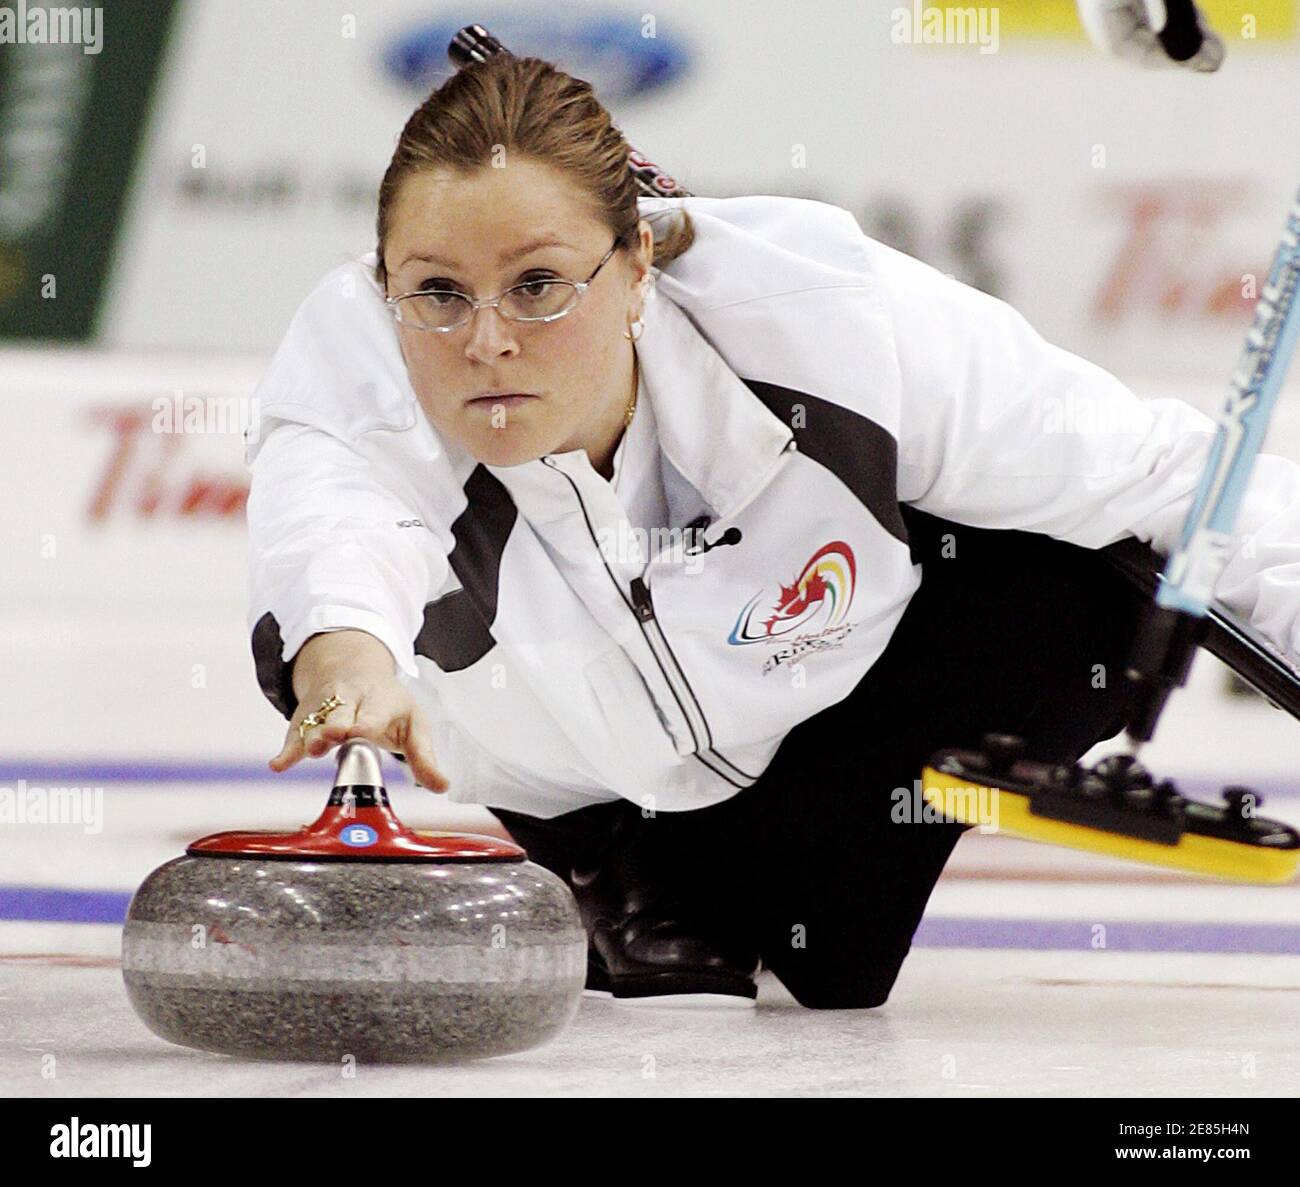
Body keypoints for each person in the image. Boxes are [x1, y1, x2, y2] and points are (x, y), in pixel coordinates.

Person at [246, 53, 1300, 1009]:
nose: (485, 340)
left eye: (538, 285)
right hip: (581, 770)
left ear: (639, 263)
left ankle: (837, 831)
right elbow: (333, 529)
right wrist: (346, 657)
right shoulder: (359, 365)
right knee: (288, 638)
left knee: (1093, 585)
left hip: (817, 726)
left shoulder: (831, 320)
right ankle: (602, 852)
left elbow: (1166, 477)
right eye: (435, 290)